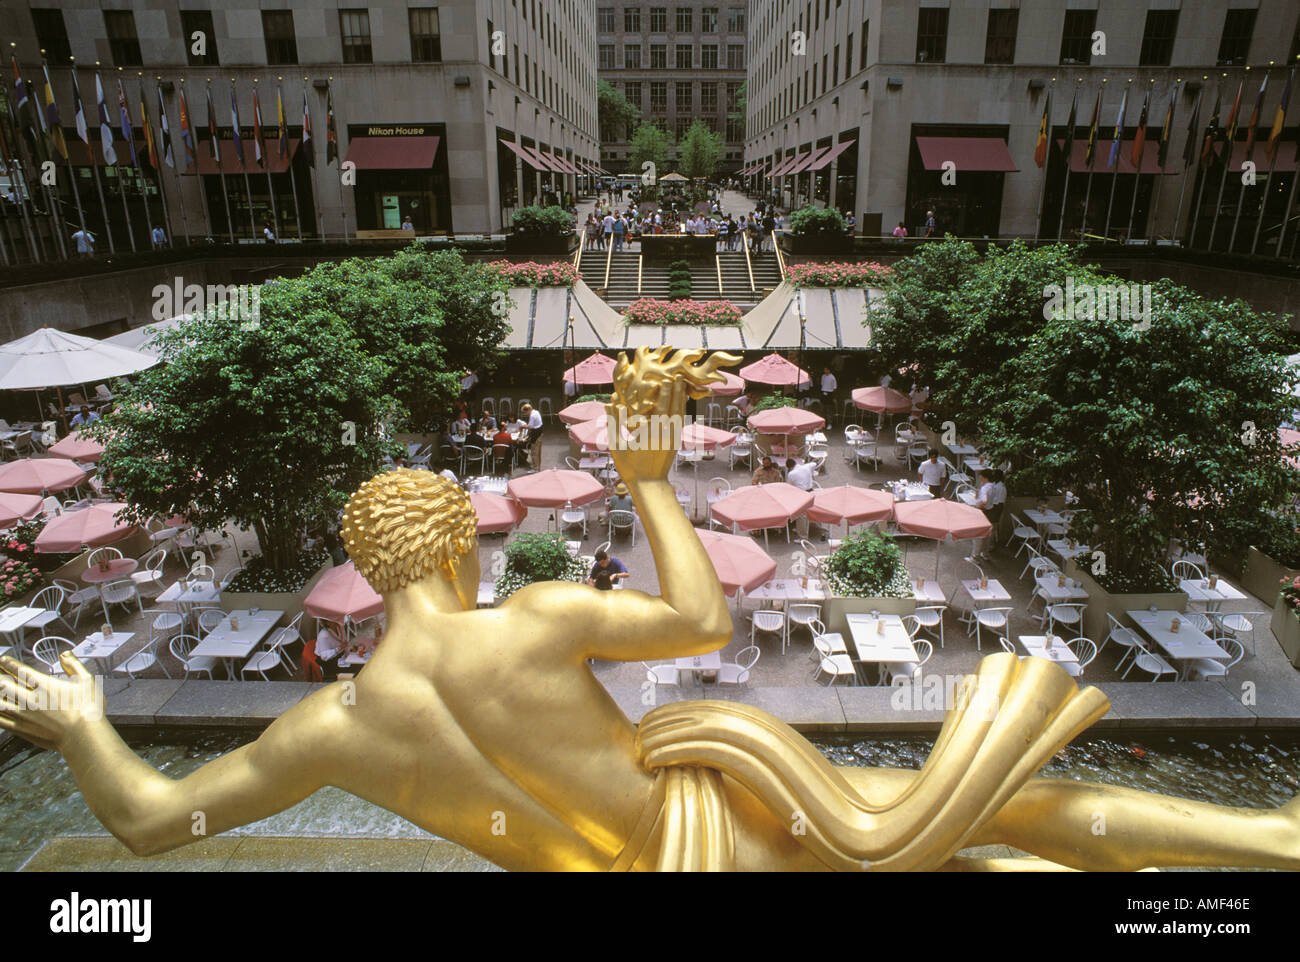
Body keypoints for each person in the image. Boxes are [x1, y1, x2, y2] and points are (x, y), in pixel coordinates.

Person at [12, 353, 1300, 873]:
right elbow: (699, 619)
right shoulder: (531, 616)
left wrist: (79, 719)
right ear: (462, 547)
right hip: (718, 817)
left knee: (982, 832)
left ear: (365, 573)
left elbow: (140, 823)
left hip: (634, 858)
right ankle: (1264, 847)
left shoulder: (327, 727)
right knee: (1004, 817)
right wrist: (643, 478)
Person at [974, 469, 1004, 560]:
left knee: (978, 536)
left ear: (984, 477)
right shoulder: (993, 487)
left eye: (981, 477)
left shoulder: (985, 488)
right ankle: (985, 553)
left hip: (983, 512)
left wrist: (976, 509)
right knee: (986, 535)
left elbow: (984, 501)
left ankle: (975, 556)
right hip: (990, 511)